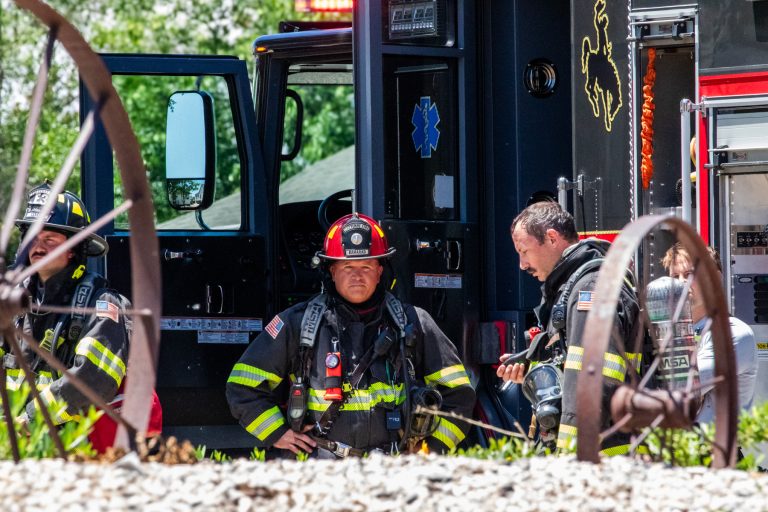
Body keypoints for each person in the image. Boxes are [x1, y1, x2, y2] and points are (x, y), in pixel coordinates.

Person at [226, 213, 475, 457]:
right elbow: (242, 386)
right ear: (332, 271)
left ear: (380, 271)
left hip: (392, 468)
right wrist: (277, 433)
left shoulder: (414, 323)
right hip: (321, 470)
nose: (357, 276)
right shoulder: (297, 324)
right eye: (347, 266)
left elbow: (459, 396)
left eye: (366, 266)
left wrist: (428, 452)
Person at [2, 182, 162, 452]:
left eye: (50, 239)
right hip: (26, 446)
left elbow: (94, 379)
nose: (38, 246)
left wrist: (30, 419)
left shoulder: (101, 307)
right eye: (32, 237)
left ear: (74, 249)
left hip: (81, 453)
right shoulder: (17, 305)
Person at [497, 201, 641, 453]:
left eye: (524, 251)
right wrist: (536, 366)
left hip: (601, 455)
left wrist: (571, 451)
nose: (522, 264)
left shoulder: (590, 289)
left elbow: (593, 375)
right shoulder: (571, 287)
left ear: (552, 238)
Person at [661, 242, 757, 423]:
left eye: (689, 274)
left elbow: (684, 387)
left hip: (715, 450)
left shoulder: (735, 334)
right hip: (677, 449)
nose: (681, 282)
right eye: (675, 276)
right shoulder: (673, 333)